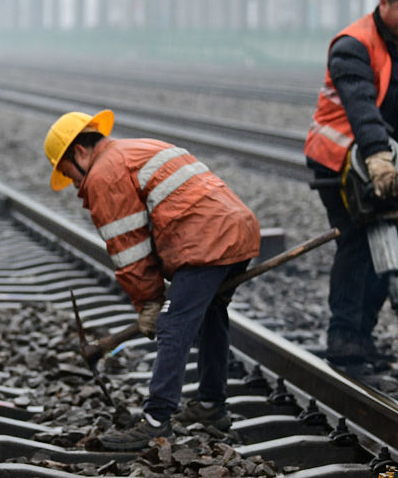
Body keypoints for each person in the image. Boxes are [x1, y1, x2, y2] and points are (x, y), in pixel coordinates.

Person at [43, 110, 261, 451]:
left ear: (80, 153)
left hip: (207, 239)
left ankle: (156, 420)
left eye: (68, 173)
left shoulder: (104, 174)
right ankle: (211, 406)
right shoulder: (135, 148)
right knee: (211, 314)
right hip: (238, 228)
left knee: (173, 324)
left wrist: (150, 303)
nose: (72, 184)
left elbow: (131, 251)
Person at [305, 0, 398, 368]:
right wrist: (378, 155)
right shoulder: (353, 44)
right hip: (339, 158)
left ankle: (362, 334)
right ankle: (344, 336)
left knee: (388, 245)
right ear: (384, 4)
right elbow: (360, 104)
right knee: (357, 241)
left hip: (391, 164)